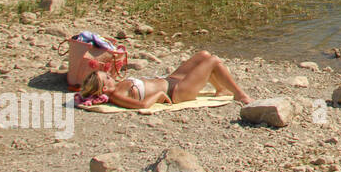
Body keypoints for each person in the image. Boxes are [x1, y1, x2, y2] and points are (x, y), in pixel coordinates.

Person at [78, 50, 251, 109]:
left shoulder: (118, 86)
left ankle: (220, 89)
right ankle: (239, 94)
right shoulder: (117, 94)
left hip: (170, 80)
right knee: (213, 61)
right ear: (104, 89)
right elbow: (143, 105)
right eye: (107, 78)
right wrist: (159, 94)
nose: (110, 76)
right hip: (176, 92)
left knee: (203, 55)